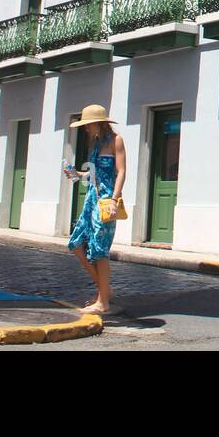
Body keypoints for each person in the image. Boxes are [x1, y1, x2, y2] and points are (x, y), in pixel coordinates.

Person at [65, 104, 127, 314]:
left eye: (87, 125)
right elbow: (93, 174)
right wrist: (77, 175)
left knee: (100, 250)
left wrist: (114, 200)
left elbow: (121, 172)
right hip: (91, 198)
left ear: (98, 123)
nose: (85, 129)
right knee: (76, 244)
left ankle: (103, 302)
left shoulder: (116, 141)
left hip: (106, 200)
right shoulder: (96, 143)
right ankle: (105, 289)